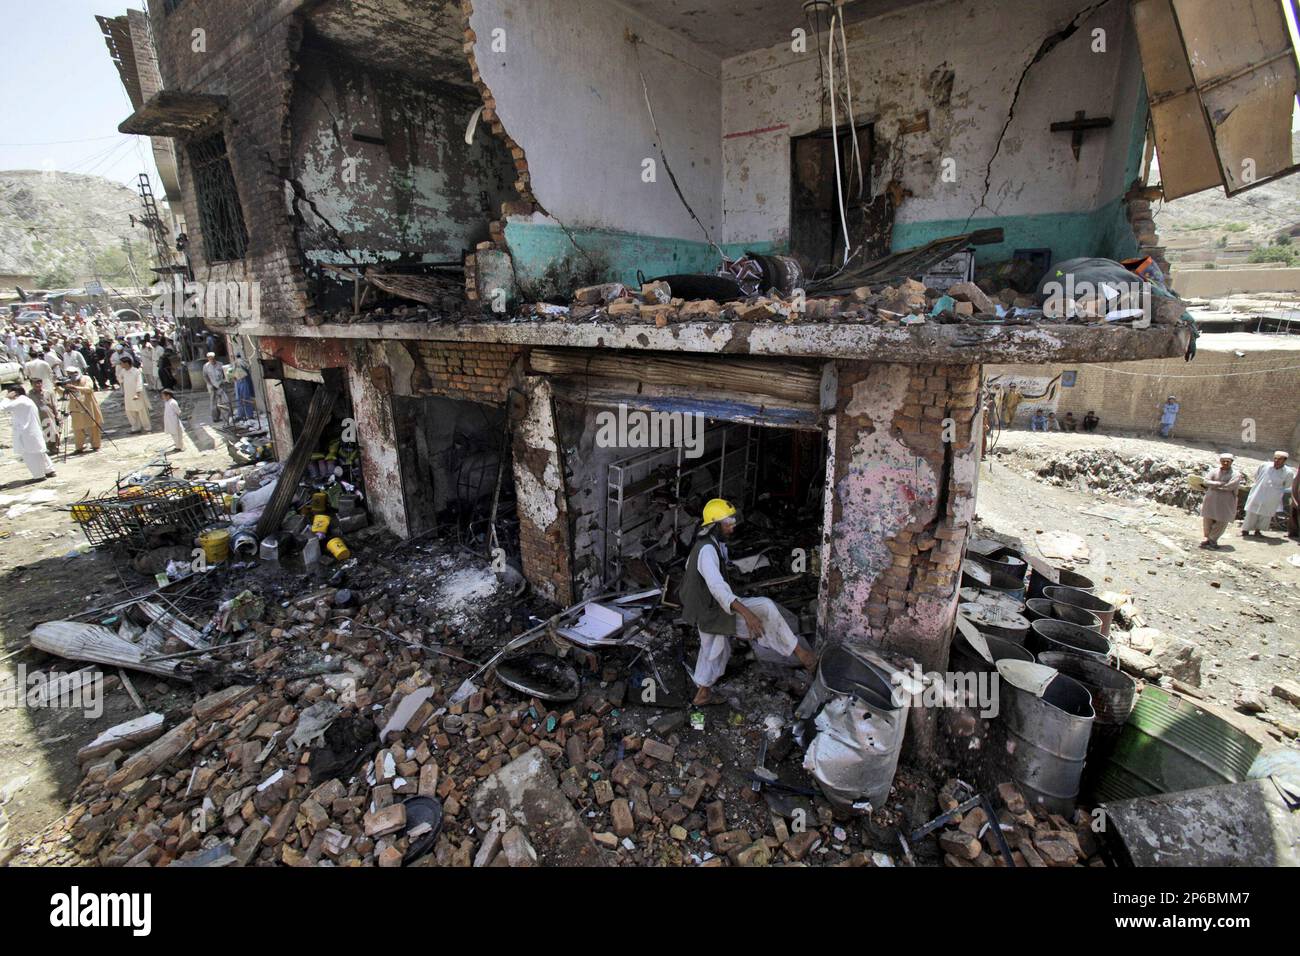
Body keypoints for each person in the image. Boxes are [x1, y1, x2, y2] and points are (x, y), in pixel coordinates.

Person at [681, 498, 817, 706]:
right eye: (728, 522)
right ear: (715, 524)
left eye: (733, 520)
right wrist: (747, 614)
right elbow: (717, 587)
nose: (733, 525)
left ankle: (703, 693)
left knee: (716, 648)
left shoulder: (710, 545)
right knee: (762, 610)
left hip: (709, 609)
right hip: (712, 610)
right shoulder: (707, 550)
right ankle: (804, 655)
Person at [1, 385, 56, 481]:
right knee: (39, 452)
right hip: (31, 432)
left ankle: (39, 476)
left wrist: (7, 398)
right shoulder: (26, 400)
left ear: (14, 393)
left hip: (27, 433)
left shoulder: (20, 401)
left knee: (30, 455)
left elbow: (2, 408)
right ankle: (49, 470)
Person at [1242, 451, 1296, 537]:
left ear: (1284, 460)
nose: (1276, 460)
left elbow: (1287, 485)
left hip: (1272, 497)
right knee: (1251, 512)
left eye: (1279, 459)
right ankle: (1245, 531)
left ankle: (1258, 531)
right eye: (1275, 458)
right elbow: (1256, 476)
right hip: (1258, 493)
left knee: (1265, 514)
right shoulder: (1264, 466)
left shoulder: (1288, 472)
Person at [1200, 453, 1242, 550]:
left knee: (1222, 520)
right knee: (1208, 519)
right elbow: (1206, 481)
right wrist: (1219, 483)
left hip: (1226, 501)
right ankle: (1207, 539)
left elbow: (1229, 486)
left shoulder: (1236, 474)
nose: (1225, 463)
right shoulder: (1214, 471)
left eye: (1228, 461)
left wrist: (1213, 485)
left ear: (1232, 462)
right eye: (1223, 461)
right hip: (1211, 499)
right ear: (1220, 461)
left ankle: (1212, 540)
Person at [62, 366, 103, 453]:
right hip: (75, 406)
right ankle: (79, 447)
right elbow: (63, 394)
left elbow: (89, 389)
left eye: (72, 373)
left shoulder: (86, 378)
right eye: (69, 374)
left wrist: (76, 387)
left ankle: (96, 445)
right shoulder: (68, 382)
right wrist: (59, 387)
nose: (71, 375)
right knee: (77, 427)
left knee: (93, 426)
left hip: (88, 405)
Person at [119, 356, 152, 433]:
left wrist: (137, 393)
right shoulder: (123, 371)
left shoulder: (136, 371)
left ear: (126, 363)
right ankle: (135, 427)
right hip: (128, 394)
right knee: (130, 411)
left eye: (122, 363)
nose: (121, 365)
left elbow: (139, 383)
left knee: (141, 411)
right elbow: (120, 379)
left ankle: (147, 427)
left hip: (136, 394)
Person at [29, 378, 61, 454]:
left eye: (39, 383)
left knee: (52, 431)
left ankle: (55, 447)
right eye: (35, 383)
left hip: (49, 415)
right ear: (32, 384)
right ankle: (48, 448)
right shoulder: (29, 395)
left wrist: (57, 415)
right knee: (43, 432)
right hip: (37, 416)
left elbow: (54, 405)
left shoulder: (48, 393)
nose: (38, 385)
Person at [202, 351, 226, 422]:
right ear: (208, 359)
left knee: (223, 401)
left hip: (220, 385)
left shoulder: (220, 364)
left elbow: (224, 374)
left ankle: (225, 417)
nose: (211, 359)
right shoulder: (206, 366)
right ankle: (215, 418)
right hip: (212, 386)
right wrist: (210, 384)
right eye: (209, 358)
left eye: (212, 358)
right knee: (213, 403)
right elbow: (205, 376)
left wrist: (223, 381)